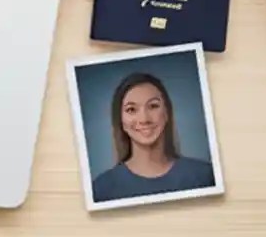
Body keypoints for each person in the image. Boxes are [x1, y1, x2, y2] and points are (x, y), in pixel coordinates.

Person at [90, 72, 215, 202]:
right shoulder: (101, 189)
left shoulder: (205, 176)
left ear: (166, 113)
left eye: (153, 106)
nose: (144, 119)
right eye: (131, 110)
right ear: (120, 121)